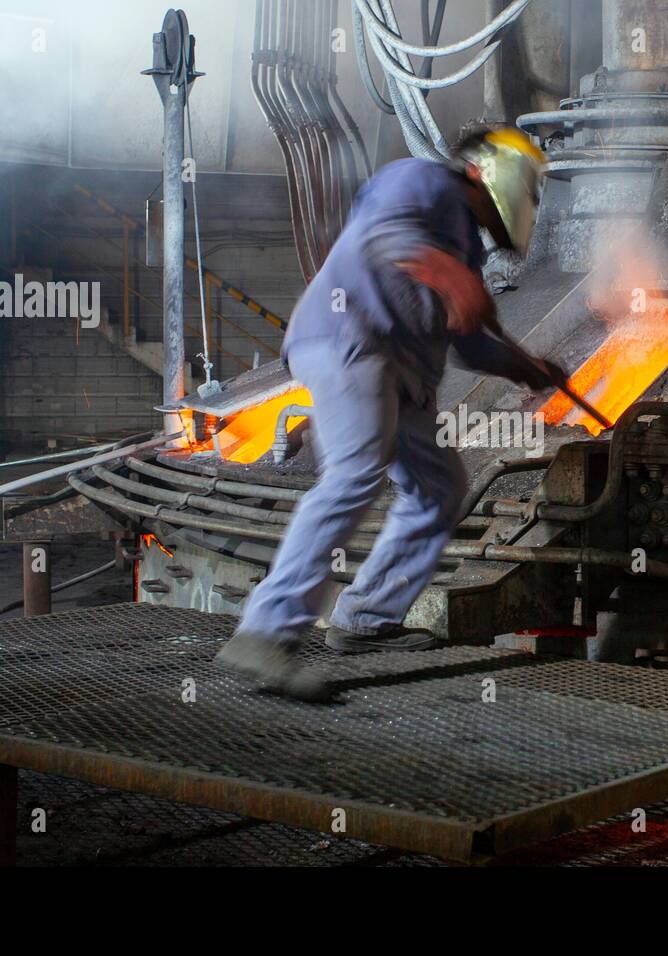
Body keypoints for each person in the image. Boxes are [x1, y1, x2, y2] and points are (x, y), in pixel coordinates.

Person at [215, 126, 561, 702]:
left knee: (439, 488)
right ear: (491, 171)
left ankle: (367, 619)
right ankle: (265, 633)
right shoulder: (419, 180)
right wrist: (449, 277)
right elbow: (384, 236)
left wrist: (527, 369)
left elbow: (469, 341)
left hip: (402, 374)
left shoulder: (467, 246)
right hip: (353, 341)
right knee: (354, 475)